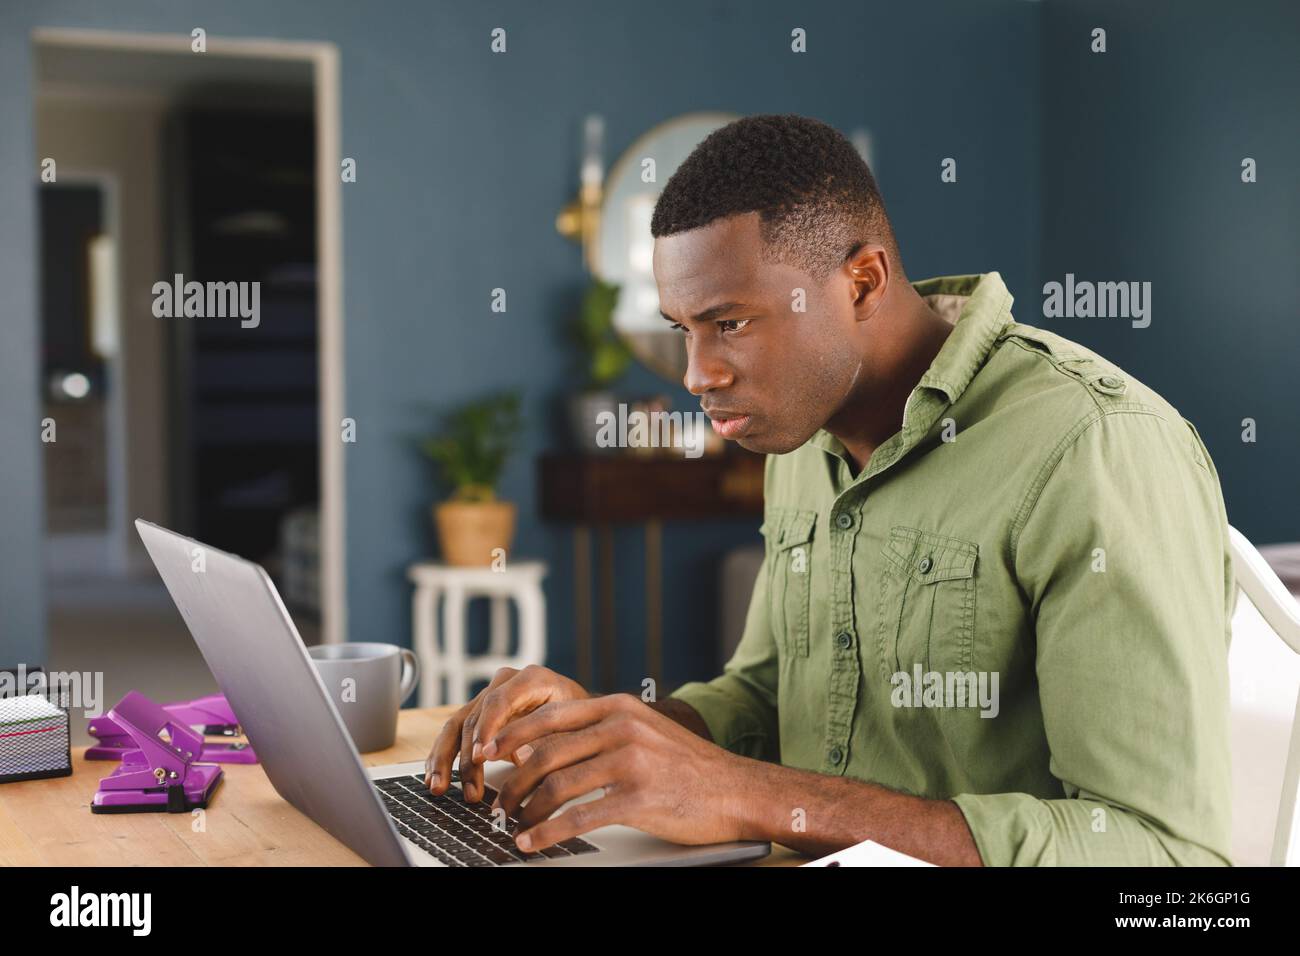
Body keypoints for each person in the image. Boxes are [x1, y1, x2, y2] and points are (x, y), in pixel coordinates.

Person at [424, 114, 1235, 866]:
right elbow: (769, 693)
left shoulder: (1093, 447)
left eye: (730, 322)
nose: (697, 375)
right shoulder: (801, 437)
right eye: (683, 330)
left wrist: (747, 794)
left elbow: (1168, 861)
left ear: (862, 282)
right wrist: (612, 740)